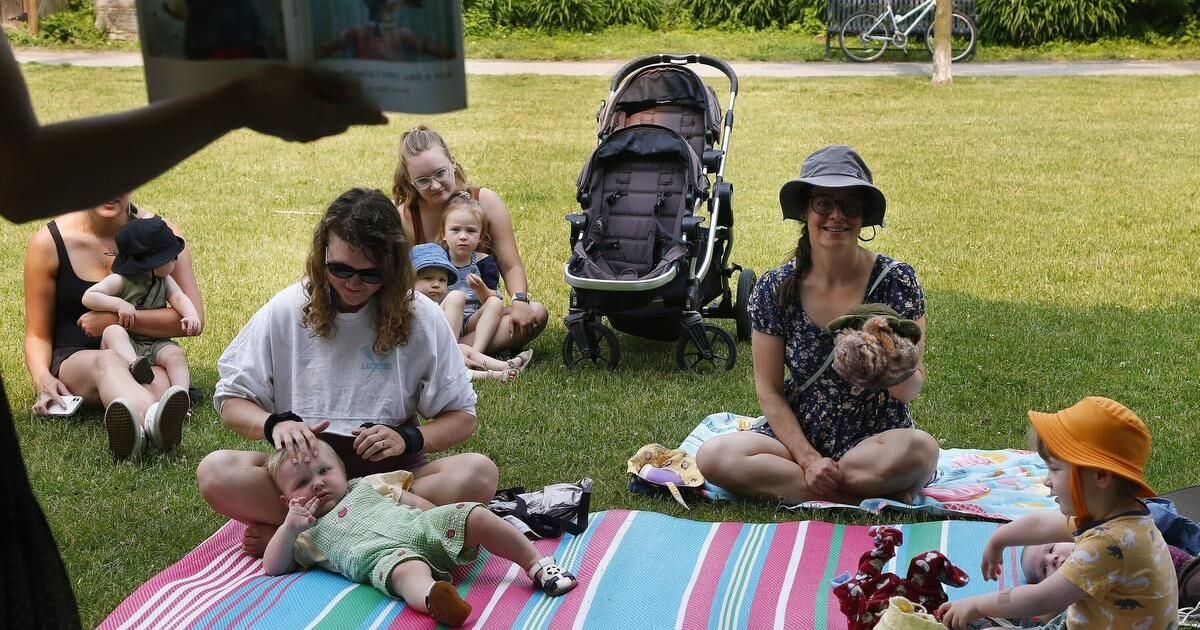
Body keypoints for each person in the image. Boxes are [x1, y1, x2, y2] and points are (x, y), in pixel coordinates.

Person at [2, 28, 384, 627]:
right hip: (87, 359)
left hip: (147, 352)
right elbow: (39, 330)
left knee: (158, 368)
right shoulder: (49, 241)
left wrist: (119, 314)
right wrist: (38, 373)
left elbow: (189, 320)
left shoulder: (161, 234)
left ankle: (152, 412)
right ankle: (151, 423)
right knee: (108, 356)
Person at [195, 188, 499, 557]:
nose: (353, 284)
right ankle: (375, 529)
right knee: (215, 472)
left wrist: (408, 439)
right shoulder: (289, 308)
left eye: (370, 274)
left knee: (479, 473)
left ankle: (302, 535)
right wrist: (276, 425)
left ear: (393, 267)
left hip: (390, 480)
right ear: (321, 256)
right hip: (306, 480)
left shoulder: (421, 315)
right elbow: (231, 400)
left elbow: (462, 418)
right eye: (340, 269)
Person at [696, 145, 937, 505]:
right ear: (805, 211)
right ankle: (857, 493)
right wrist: (808, 459)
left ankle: (819, 489)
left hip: (877, 438)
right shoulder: (776, 288)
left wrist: (890, 355)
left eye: (849, 206)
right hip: (799, 435)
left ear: (863, 216)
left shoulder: (895, 281)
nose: (836, 216)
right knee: (713, 457)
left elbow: (909, 391)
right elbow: (769, 391)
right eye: (824, 203)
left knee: (922, 450)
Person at [263, 440, 576, 627]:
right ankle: (435, 599)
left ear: (343, 471)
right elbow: (273, 567)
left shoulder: (369, 485)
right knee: (407, 572)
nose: (317, 483)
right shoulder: (304, 533)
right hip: (384, 558)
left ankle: (536, 565)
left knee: (475, 513)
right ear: (285, 500)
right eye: (302, 483)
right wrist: (288, 528)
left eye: (324, 471)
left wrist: (450, 524)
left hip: (421, 529)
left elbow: (415, 502)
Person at [938, 396, 1178, 630]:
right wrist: (998, 540)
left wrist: (977, 604)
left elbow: (1042, 598)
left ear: (1100, 477)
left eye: (1055, 469)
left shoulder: (1109, 543)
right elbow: (1042, 525)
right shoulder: (1117, 519)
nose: (1046, 481)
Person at [392, 125, 547, 355]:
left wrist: (520, 301)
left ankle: (454, 354)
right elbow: (397, 280)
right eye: (423, 180)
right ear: (410, 181)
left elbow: (510, 265)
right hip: (431, 319)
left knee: (536, 313)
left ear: (453, 163)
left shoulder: (484, 201)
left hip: (477, 316)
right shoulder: (406, 216)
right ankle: (470, 353)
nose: (434, 185)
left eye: (440, 173)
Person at [75, 214, 200, 459]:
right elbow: (89, 297)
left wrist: (191, 314)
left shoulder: (165, 279)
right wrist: (119, 304)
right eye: (169, 257)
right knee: (113, 331)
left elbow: (179, 299)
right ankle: (134, 364)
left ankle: (180, 398)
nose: (175, 259)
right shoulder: (121, 280)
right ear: (151, 261)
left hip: (152, 343)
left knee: (175, 353)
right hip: (126, 345)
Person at [1019, 497, 1200, 615]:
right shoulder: (1073, 596)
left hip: (1182, 570)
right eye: (1044, 569)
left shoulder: (1099, 535)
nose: (1053, 559)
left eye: (1051, 550)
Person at [411, 243, 532, 382]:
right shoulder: (411, 301)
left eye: (442, 280)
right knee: (449, 365)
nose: (436, 284)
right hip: (424, 357)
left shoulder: (436, 302)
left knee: (462, 347)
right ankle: (494, 375)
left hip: (442, 349)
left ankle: (506, 365)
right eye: (428, 278)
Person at [438, 193, 505, 355]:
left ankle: (476, 353)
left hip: (471, 319)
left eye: (471, 231)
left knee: (495, 303)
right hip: (443, 317)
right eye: (455, 230)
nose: (463, 236)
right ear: (443, 234)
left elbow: (491, 297)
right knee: (456, 298)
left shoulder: (484, 261)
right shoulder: (438, 259)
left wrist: (481, 288)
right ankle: (450, 355)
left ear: (480, 236)